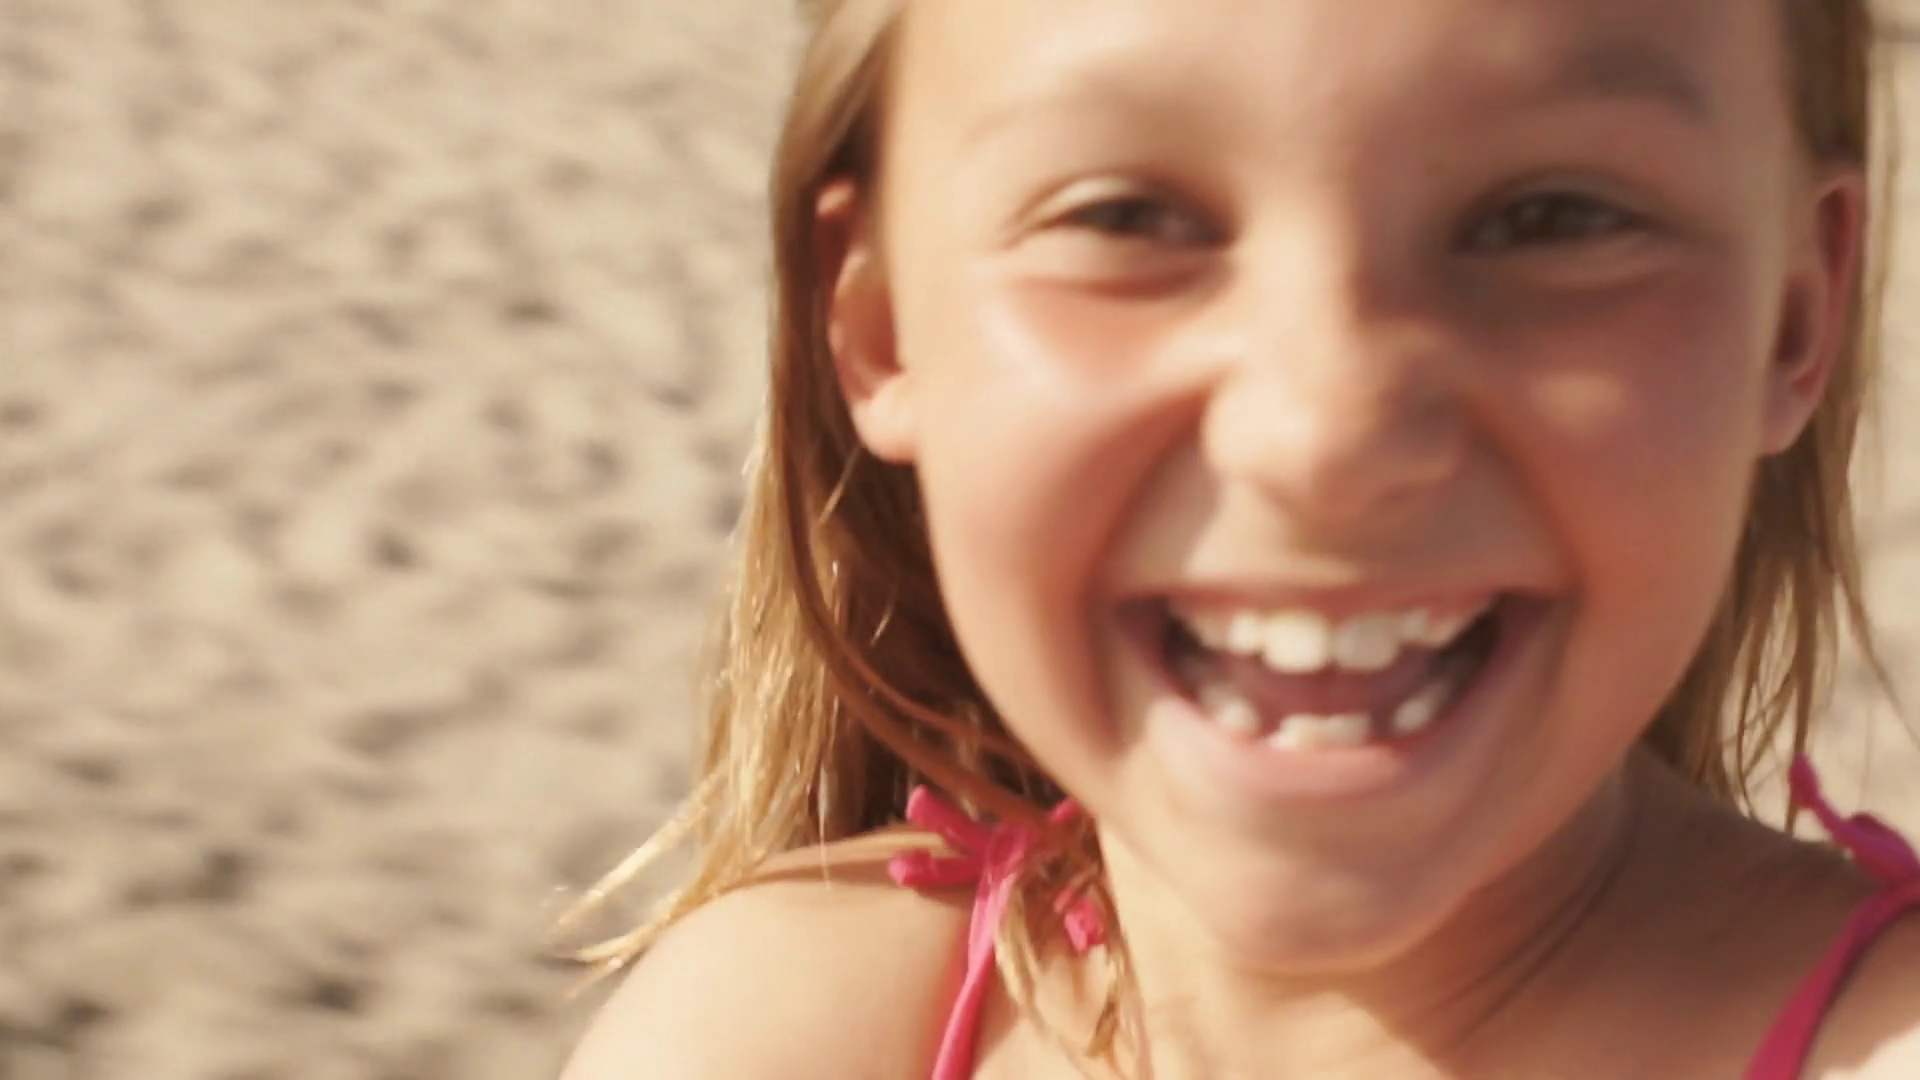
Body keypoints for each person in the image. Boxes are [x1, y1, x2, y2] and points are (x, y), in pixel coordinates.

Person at [558, 0, 1920, 1075]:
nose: (1325, 436)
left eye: (1553, 219)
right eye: (1125, 218)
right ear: (875, 326)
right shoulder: (780, 1026)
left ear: (1797, 313)